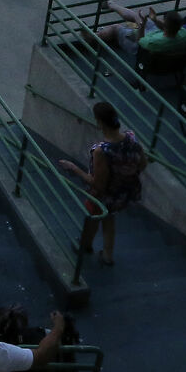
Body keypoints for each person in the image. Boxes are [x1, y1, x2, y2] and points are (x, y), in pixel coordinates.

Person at [57, 102, 146, 267]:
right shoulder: (131, 137)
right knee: (108, 218)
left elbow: (97, 184)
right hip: (123, 193)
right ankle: (107, 254)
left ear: (99, 122)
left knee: (92, 215)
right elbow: (142, 164)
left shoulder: (102, 151)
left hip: (105, 195)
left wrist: (73, 168)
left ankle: (85, 245)